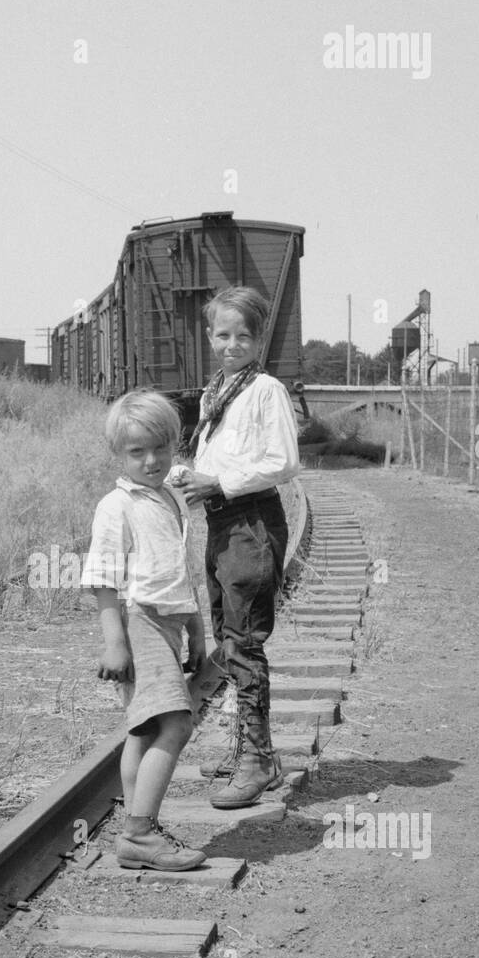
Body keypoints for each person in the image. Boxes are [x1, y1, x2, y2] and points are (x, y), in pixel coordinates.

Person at [174, 286, 302, 809]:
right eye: (223, 335)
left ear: (258, 340)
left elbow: (283, 462)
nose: (232, 344)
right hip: (221, 522)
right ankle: (249, 747)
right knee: (231, 637)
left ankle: (258, 760)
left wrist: (219, 484)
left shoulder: (265, 389)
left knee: (245, 642)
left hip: (249, 521)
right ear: (210, 337)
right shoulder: (216, 392)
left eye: (243, 336)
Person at [82, 391, 209, 871]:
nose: (151, 460)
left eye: (160, 448)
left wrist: (197, 631)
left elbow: (178, 574)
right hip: (141, 621)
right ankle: (140, 833)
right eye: (138, 452)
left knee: (144, 730)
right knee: (176, 724)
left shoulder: (171, 499)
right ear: (120, 453)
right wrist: (115, 642)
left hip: (169, 622)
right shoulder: (117, 506)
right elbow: (103, 581)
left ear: (174, 444)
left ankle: (135, 830)